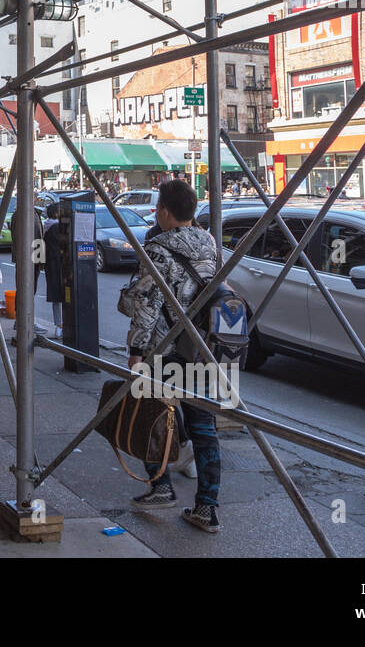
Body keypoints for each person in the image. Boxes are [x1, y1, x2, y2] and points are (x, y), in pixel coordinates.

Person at [118, 178, 222, 533]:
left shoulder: (158, 249)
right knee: (204, 427)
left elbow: (147, 305)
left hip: (164, 349)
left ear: (164, 211)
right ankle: (207, 507)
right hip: (202, 349)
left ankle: (160, 485)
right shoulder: (209, 242)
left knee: (152, 416)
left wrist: (135, 351)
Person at [38, 203, 68, 339]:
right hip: (60, 265)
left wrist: (40, 263)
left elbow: (39, 246)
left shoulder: (45, 225)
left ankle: (58, 326)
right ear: (56, 213)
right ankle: (61, 326)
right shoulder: (58, 227)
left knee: (57, 297)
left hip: (51, 266)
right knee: (65, 295)